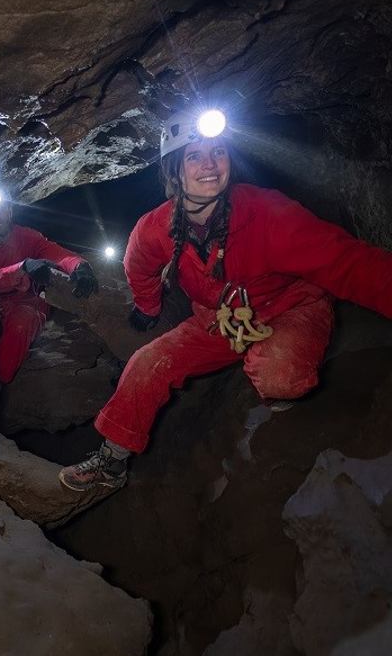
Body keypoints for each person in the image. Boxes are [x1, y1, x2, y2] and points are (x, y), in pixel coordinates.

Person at [59, 109, 392, 492]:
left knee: (280, 375)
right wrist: (148, 307)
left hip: (291, 305)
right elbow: (138, 268)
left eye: (218, 153)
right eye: (195, 156)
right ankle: (112, 462)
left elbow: (350, 264)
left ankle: (276, 384)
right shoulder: (154, 229)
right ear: (174, 172)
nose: (210, 165)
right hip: (217, 318)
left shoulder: (267, 214)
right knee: (147, 362)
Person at [0, 188, 98, 394]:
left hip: (27, 301)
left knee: (21, 322)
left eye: (1, 210)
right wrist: (23, 266)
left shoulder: (28, 237)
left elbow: (57, 254)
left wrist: (80, 266)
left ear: (9, 211)